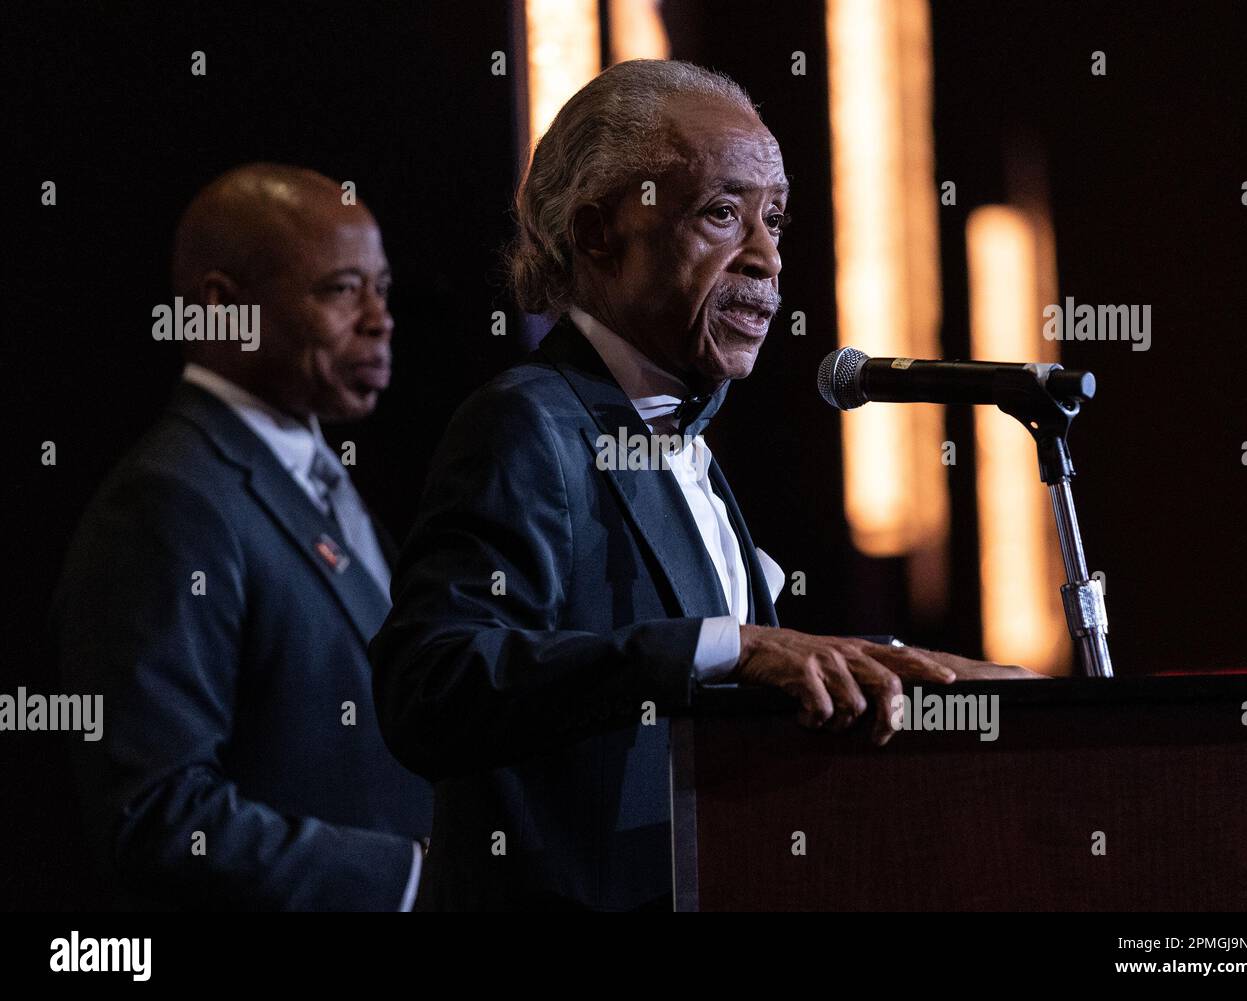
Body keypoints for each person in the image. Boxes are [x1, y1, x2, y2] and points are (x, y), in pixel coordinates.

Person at [370, 60, 1034, 912]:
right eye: (722, 214)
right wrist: (732, 645)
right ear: (599, 233)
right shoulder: (529, 425)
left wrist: (916, 673)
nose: (767, 260)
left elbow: (738, 694)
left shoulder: (687, 436)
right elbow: (432, 685)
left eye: (776, 220)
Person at [54, 163, 431, 910]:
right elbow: (159, 817)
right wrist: (414, 878)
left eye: (381, 286)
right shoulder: (168, 503)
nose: (380, 317)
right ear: (222, 307)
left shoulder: (313, 471)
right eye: (340, 288)